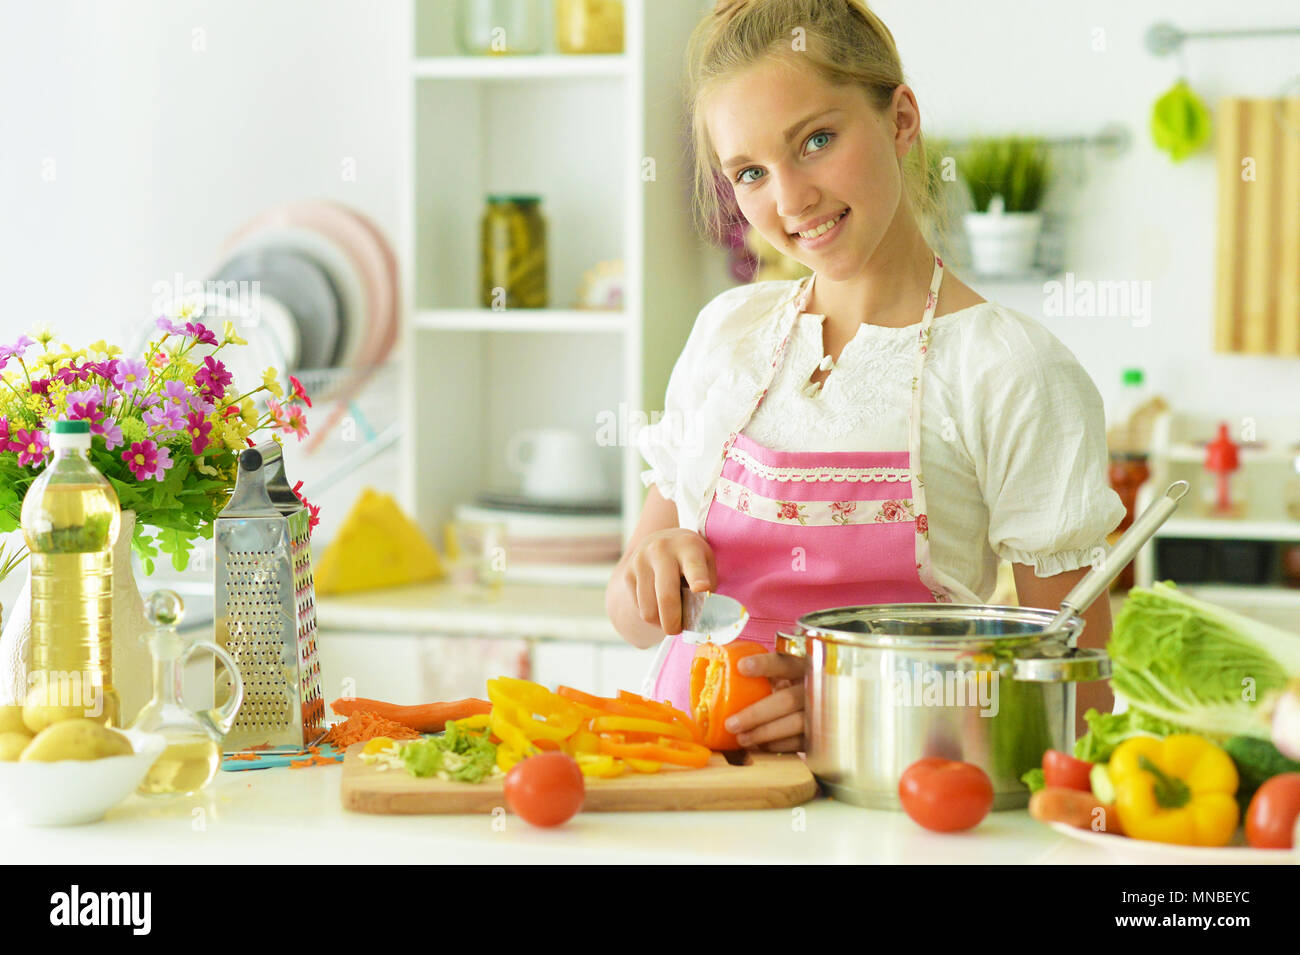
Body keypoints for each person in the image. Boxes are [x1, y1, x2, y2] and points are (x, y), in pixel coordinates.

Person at [605, 0, 1125, 750]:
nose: (790, 201)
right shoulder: (730, 336)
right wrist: (648, 574)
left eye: (815, 140)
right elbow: (625, 616)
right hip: (685, 782)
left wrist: (851, 708)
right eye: (751, 172)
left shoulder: (1010, 371)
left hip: (892, 807)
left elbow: (1077, 701)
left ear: (900, 118)